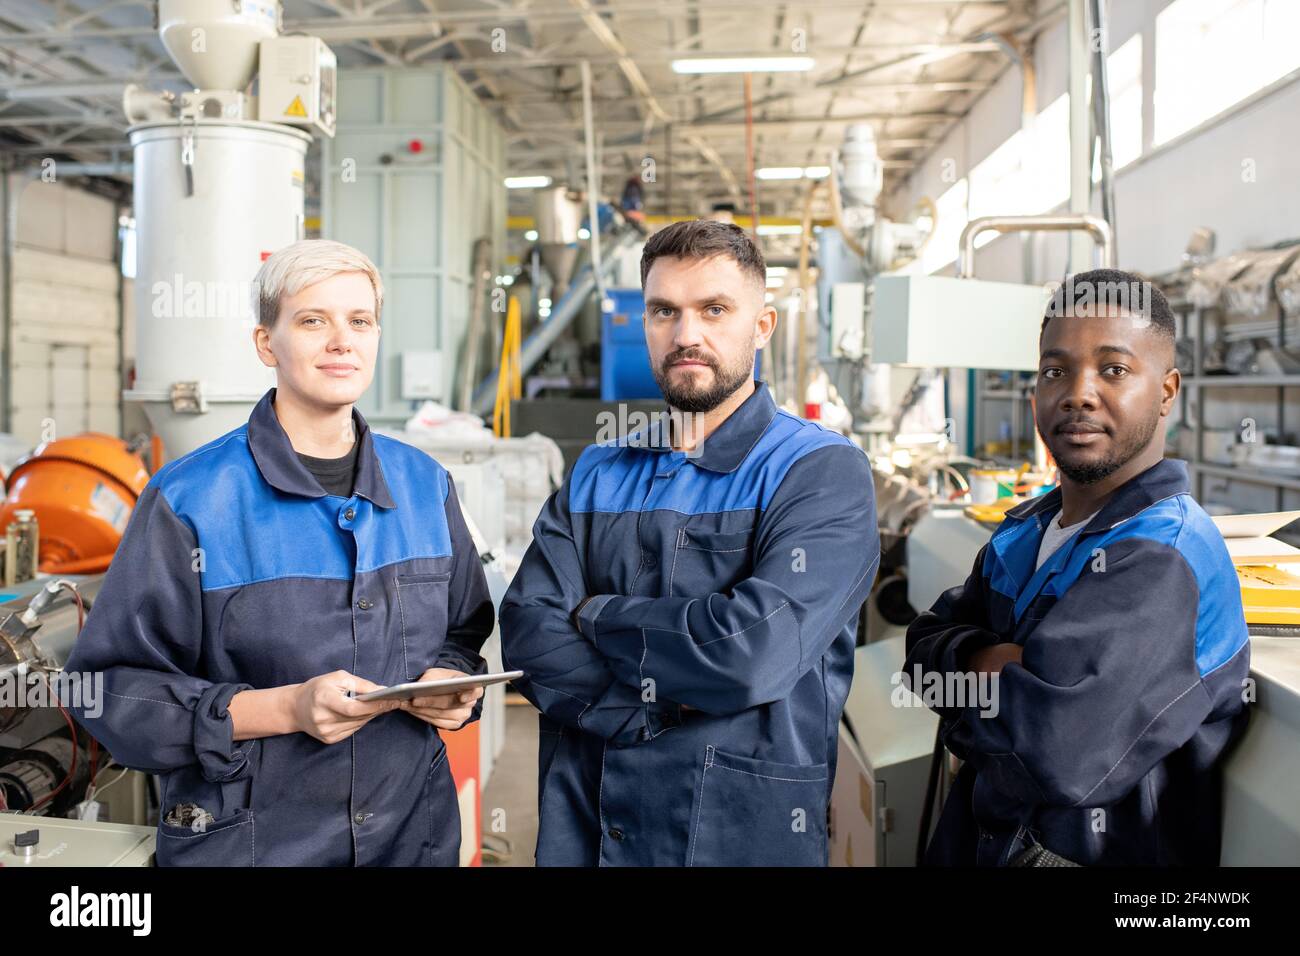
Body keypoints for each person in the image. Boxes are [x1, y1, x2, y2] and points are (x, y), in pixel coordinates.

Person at [64, 239, 494, 866]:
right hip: (253, 845)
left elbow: (462, 629)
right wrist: (283, 708)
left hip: (410, 836)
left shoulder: (424, 484)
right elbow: (106, 691)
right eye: (313, 320)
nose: (342, 341)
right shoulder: (190, 499)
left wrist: (453, 679)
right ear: (267, 343)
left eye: (360, 321)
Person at [500, 218, 879, 866]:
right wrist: (650, 702)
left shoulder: (819, 472)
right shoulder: (598, 469)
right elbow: (529, 631)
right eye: (663, 311)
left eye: (714, 309)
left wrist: (596, 615)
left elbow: (751, 653)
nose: (686, 335)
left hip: (738, 838)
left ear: (762, 327)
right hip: (585, 832)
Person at [905, 269, 1250, 866]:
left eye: (1113, 370)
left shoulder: (1162, 556)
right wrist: (991, 668)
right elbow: (919, 655)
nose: (1078, 393)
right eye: (1054, 371)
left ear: (1167, 391)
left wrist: (971, 668)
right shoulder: (1025, 530)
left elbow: (1054, 750)